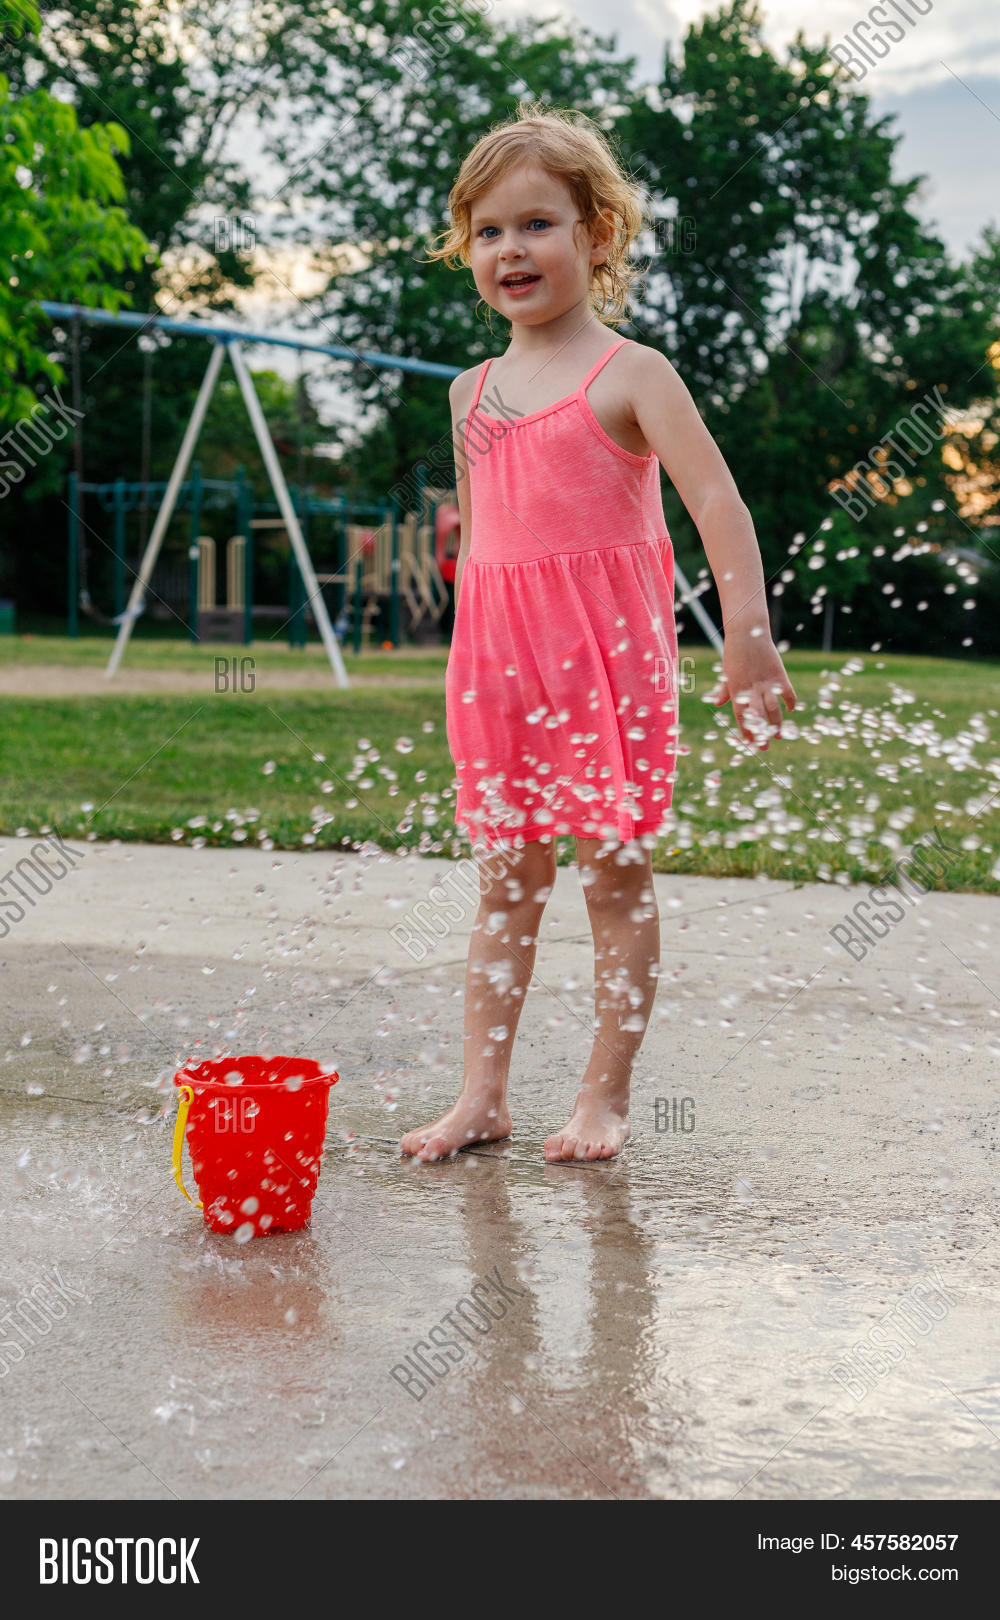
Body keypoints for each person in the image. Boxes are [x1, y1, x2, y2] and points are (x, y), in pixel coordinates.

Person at [400, 103, 796, 1164]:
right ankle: (482, 1096)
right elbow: (487, 541)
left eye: (537, 224)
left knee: (611, 879)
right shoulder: (469, 393)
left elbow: (717, 504)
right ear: (465, 248)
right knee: (505, 886)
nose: (510, 249)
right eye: (488, 231)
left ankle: (603, 1100)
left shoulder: (632, 374)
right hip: (499, 669)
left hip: (603, 668)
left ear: (598, 234)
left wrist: (747, 635)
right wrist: (471, 647)